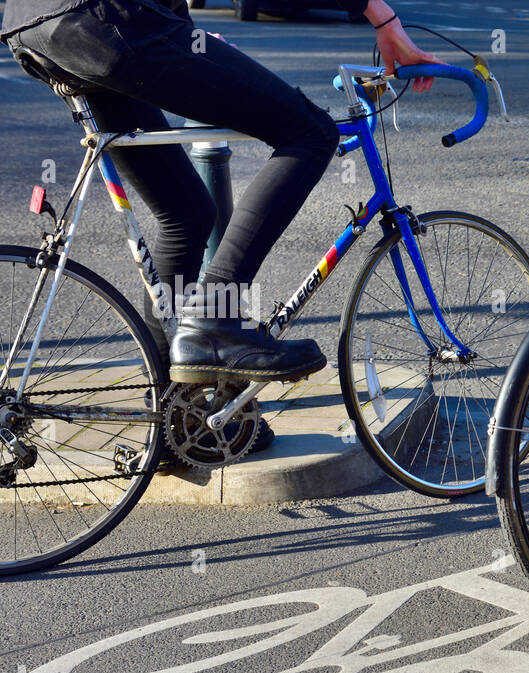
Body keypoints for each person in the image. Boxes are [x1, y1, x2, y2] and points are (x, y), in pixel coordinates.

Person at [2, 0, 444, 452]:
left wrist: (188, 37)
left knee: (185, 212)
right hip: (110, 20)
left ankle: (176, 428)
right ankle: (214, 316)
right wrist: (380, 15)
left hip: (41, 28)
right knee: (310, 132)